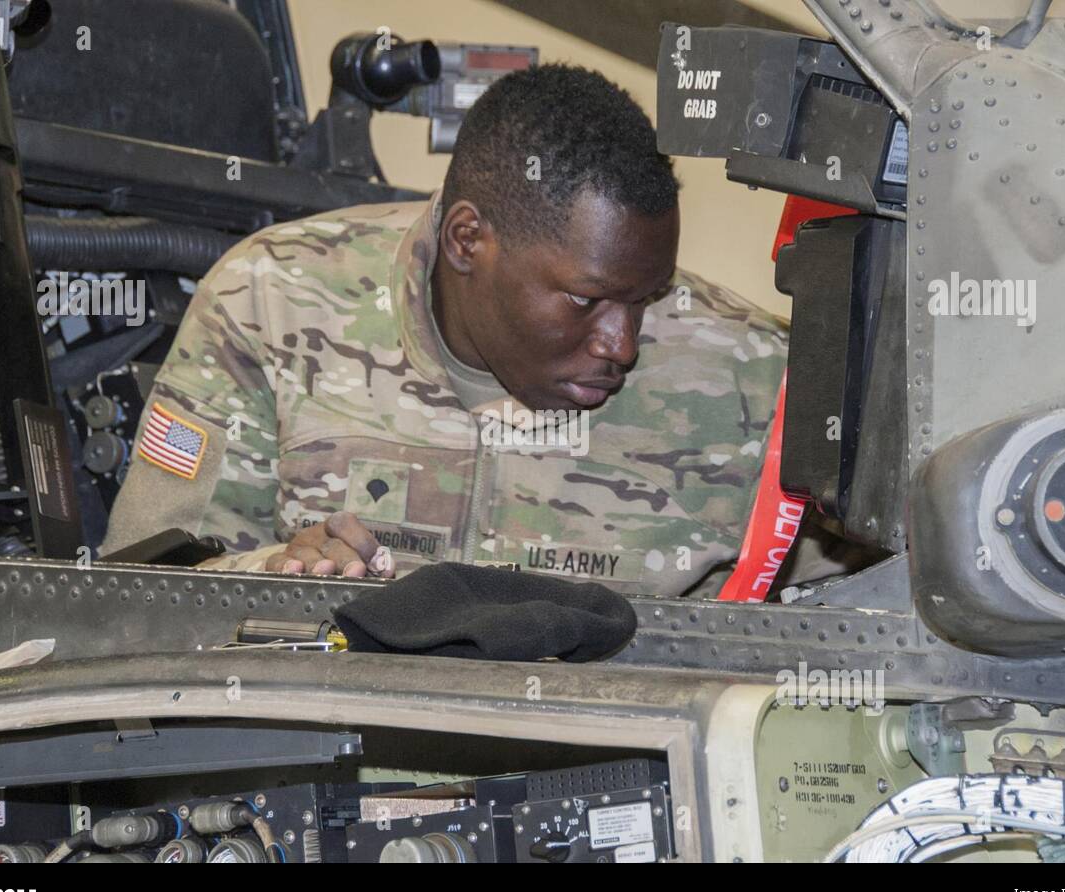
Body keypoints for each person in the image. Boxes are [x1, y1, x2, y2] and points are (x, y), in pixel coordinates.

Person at [102, 64, 788, 596]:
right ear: (468, 241)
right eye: (586, 300)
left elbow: (870, 601)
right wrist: (283, 574)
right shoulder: (272, 299)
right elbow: (134, 591)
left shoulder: (750, 375)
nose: (623, 344)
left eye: (648, 298)